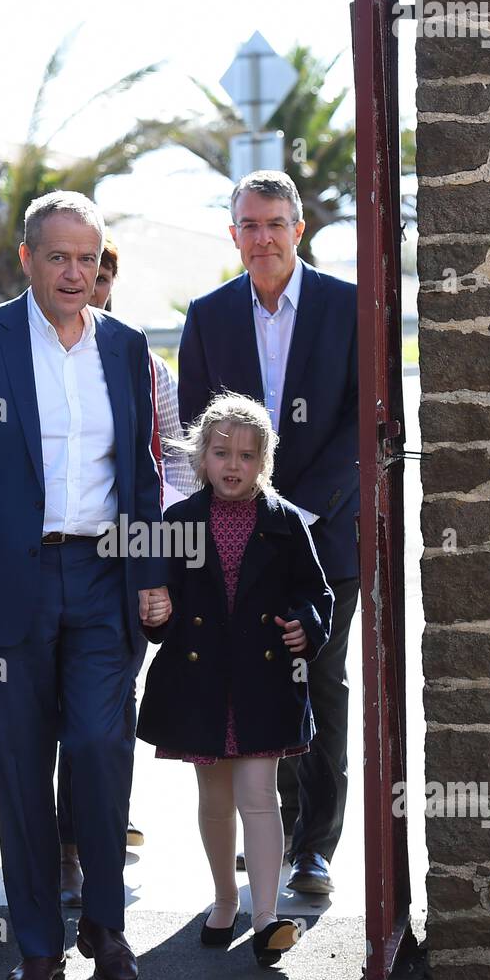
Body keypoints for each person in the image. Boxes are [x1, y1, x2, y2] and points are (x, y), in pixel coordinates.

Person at [0, 191, 171, 980]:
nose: (74, 273)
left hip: (101, 581)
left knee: (99, 747)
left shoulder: (124, 347)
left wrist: (151, 574)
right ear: (27, 260)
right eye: (58, 257)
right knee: (19, 768)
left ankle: (104, 925)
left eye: (86, 259)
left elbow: (143, 477)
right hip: (0, 586)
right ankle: (36, 946)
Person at [178, 170, 358, 897]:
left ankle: (314, 847)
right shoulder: (209, 315)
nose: (262, 238)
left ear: (298, 229)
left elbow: (363, 419)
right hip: (236, 541)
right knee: (256, 676)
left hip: (327, 532)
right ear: (234, 235)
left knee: (319, 678)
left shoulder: (347, 306)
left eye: (275, 223)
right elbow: (196, 425)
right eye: (249, 225)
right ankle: (269, 832)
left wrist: (297, 511)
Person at [136, 393, 334, 968]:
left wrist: (305, 625)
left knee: (259, 797)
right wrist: (156, 613)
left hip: (263, 682)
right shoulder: (179, 522)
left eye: (247, 456)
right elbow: (159, 601)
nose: (233, 465)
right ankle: (225, 900)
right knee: (216, 799)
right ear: (202, 458)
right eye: (222, 453)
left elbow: (316, 592)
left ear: (263, 463)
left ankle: (267, 917)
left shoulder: (285, 522)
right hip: (201, 684)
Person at [58, 238, 195, 907]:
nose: (90, 283)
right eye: (76, 267)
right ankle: (65, 843)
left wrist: (159, 546)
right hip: (53, 555)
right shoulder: (36, 357)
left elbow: (176, 458)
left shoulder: (143, 363)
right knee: (58, 709)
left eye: (102, 273)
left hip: (127, 552)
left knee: (109, 702)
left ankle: (98, 829)